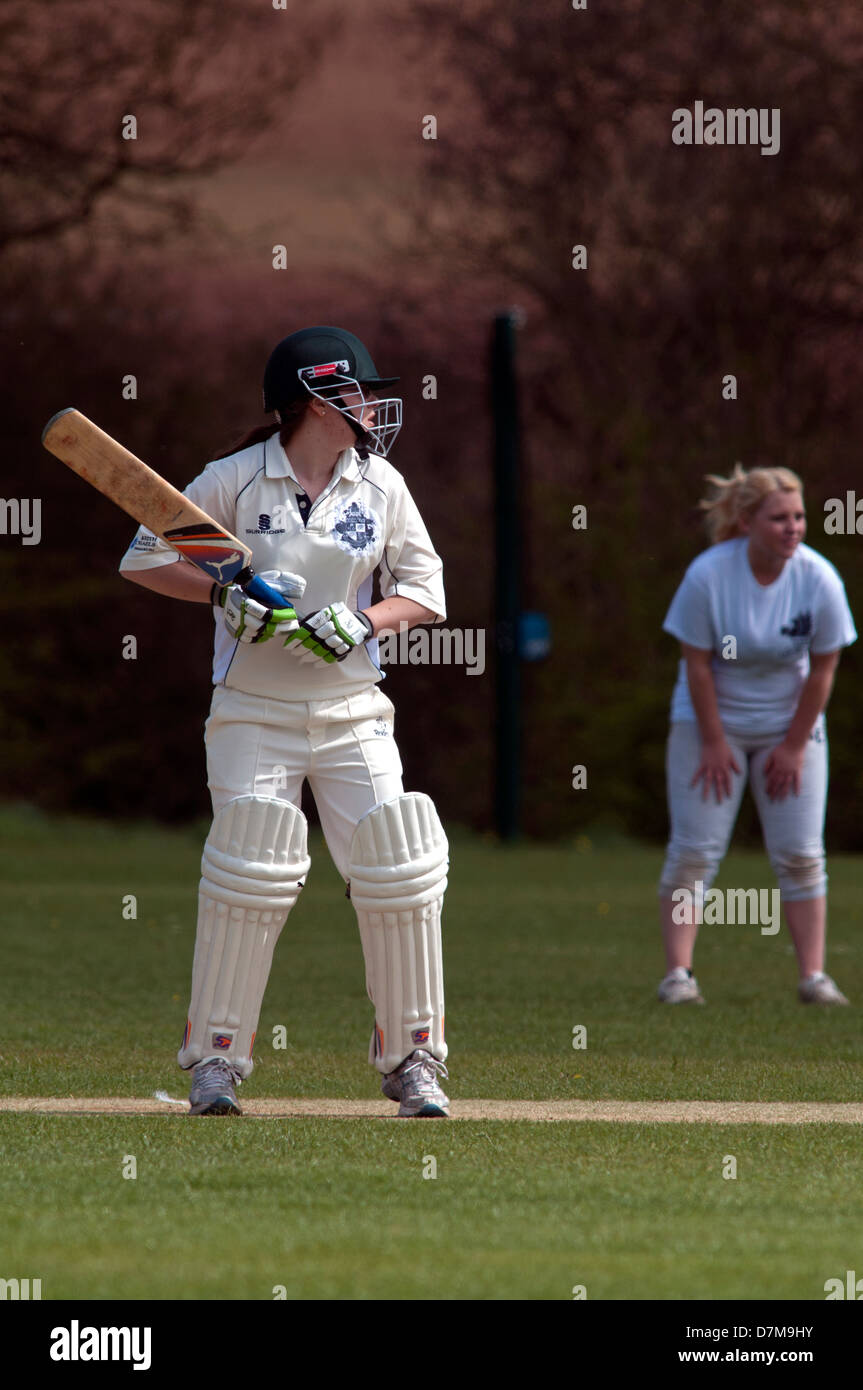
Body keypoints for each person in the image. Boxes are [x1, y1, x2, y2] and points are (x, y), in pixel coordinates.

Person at [119, 326, 451, 1115]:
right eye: (357, 392)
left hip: (352, 710)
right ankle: (215, 1063)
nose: (371, 405)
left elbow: (428, 591)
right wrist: (222, 594)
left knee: (398, 869)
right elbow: (144, 555)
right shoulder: (235, 479)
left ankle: (413, 1063)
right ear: (313, 401)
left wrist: (367, 621)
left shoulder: (380, 485)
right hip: (254, 712)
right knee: (250, 870)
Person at [657, 464, 856, 1005]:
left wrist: (793, 746)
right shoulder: (708, 575)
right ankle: (679, 976)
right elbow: (697, 668)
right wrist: (716, 742)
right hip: (708, 721)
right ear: (747, 521)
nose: (793, 528)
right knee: (695, 852)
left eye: (799, 517)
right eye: (779, 518)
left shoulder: (819, 578)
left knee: (801, 854)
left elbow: (823, 671)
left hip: (790, 727)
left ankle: (813, 977)